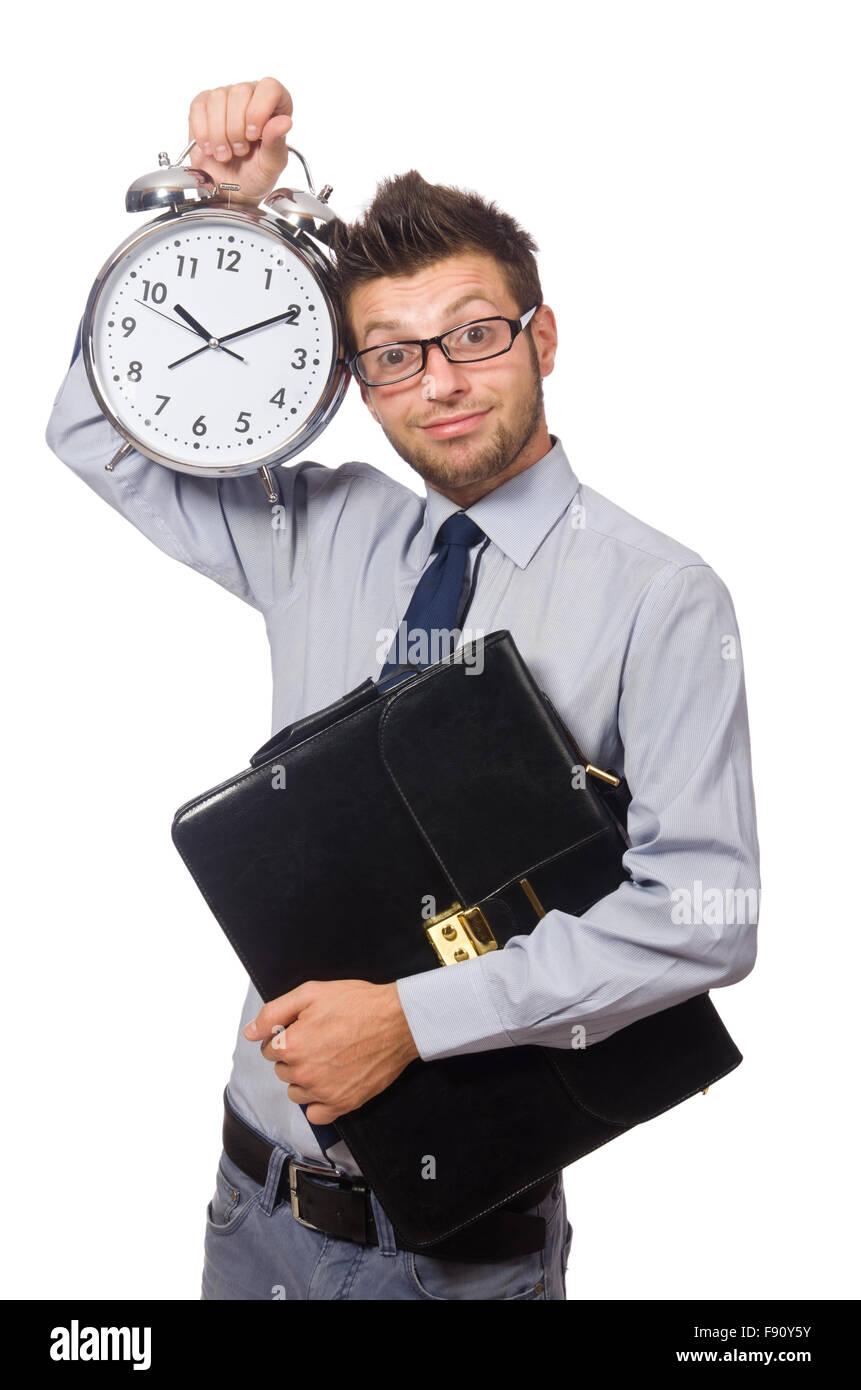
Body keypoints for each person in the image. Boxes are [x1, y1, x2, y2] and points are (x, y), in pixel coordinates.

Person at [45, 76, 760, 1302]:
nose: (440, 380)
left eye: (474, 333)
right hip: (251, 1204)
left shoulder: (662, 595)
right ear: (353, 381)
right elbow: (92, 431)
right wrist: (223, 220)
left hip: (453, 1250)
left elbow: (706, 913)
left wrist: (413, 1018)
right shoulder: (320, 528)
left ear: (542, 337)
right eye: (392, 355)